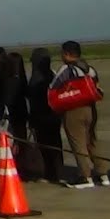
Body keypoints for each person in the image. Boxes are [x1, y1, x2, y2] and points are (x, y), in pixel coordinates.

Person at [52, 40, 110, 188]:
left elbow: (53, 88)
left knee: (78, 143)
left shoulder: (66, 69)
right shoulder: (89, 69)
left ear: (66, 53)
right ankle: (103, 174)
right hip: (90, 108)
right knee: (92, 141)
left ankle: (85, 176)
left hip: (73, 110)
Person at [27, 47, 64, 183]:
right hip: (54, 115)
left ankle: (50, 173)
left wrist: (31, 119)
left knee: (45, 145)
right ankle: (57, 172)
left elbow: (35, 100)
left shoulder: (36, 77)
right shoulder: (52, 74)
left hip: (41, 116)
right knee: (55, 144)